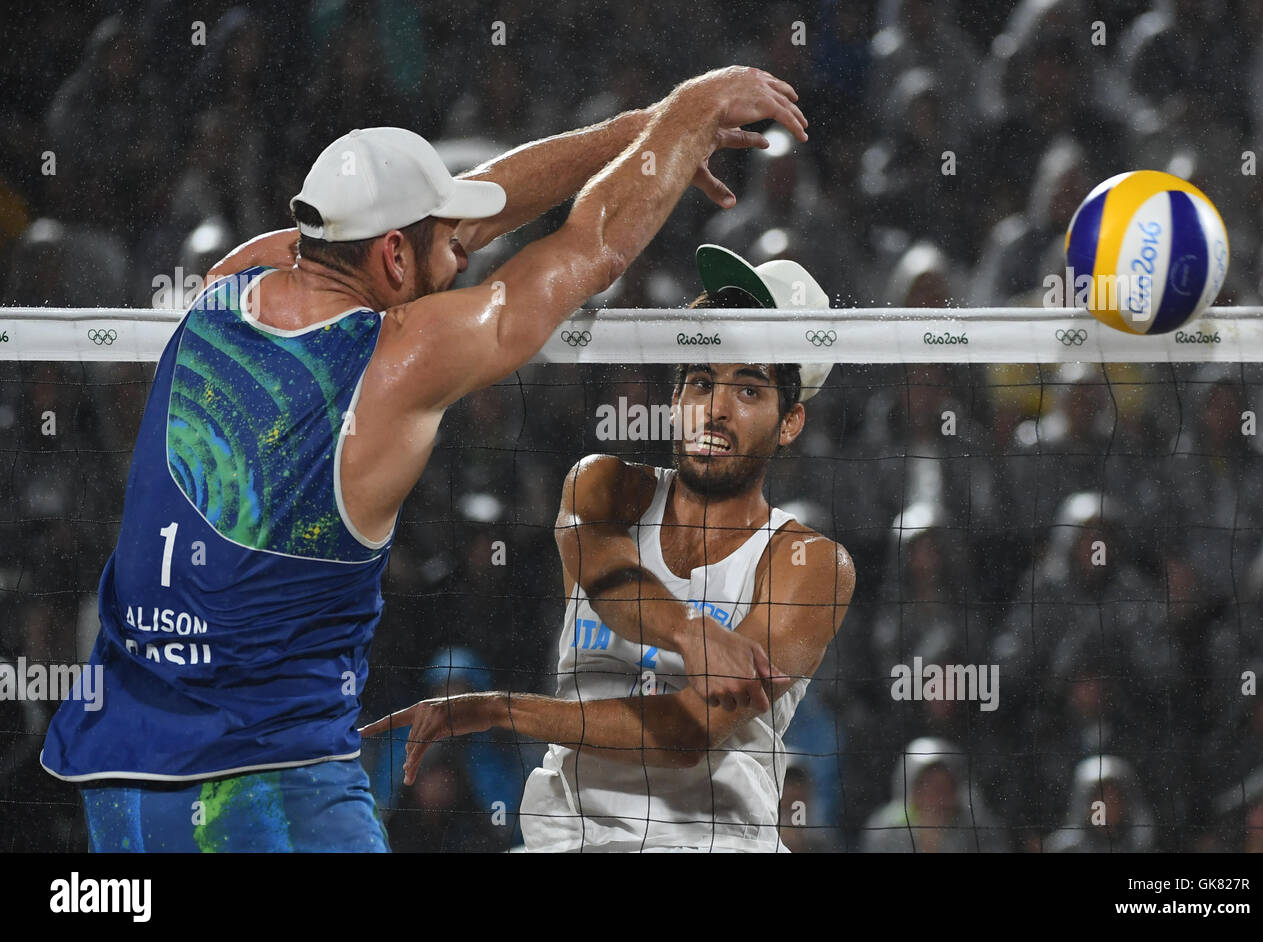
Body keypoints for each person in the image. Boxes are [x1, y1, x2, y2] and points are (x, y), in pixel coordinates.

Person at [39, 66, 810, 852]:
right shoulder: (395, 363)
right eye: (444, 244)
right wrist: (692, 107)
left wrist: (639, 134)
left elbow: (456, 218)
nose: (463, 257)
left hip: (121, 771)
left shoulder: (227, 286)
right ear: (394, 256)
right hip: (270, 781)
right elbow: (596, 245)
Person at [364, 246, 856, 852]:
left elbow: (689, 732)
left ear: (790, 422)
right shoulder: (603, 485)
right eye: (702, 381)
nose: (715, 410)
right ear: (675, 398)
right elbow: (611, 585)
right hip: (569, 838)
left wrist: (501, 710)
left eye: (749, 391)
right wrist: (690, 632)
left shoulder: (810, 565)